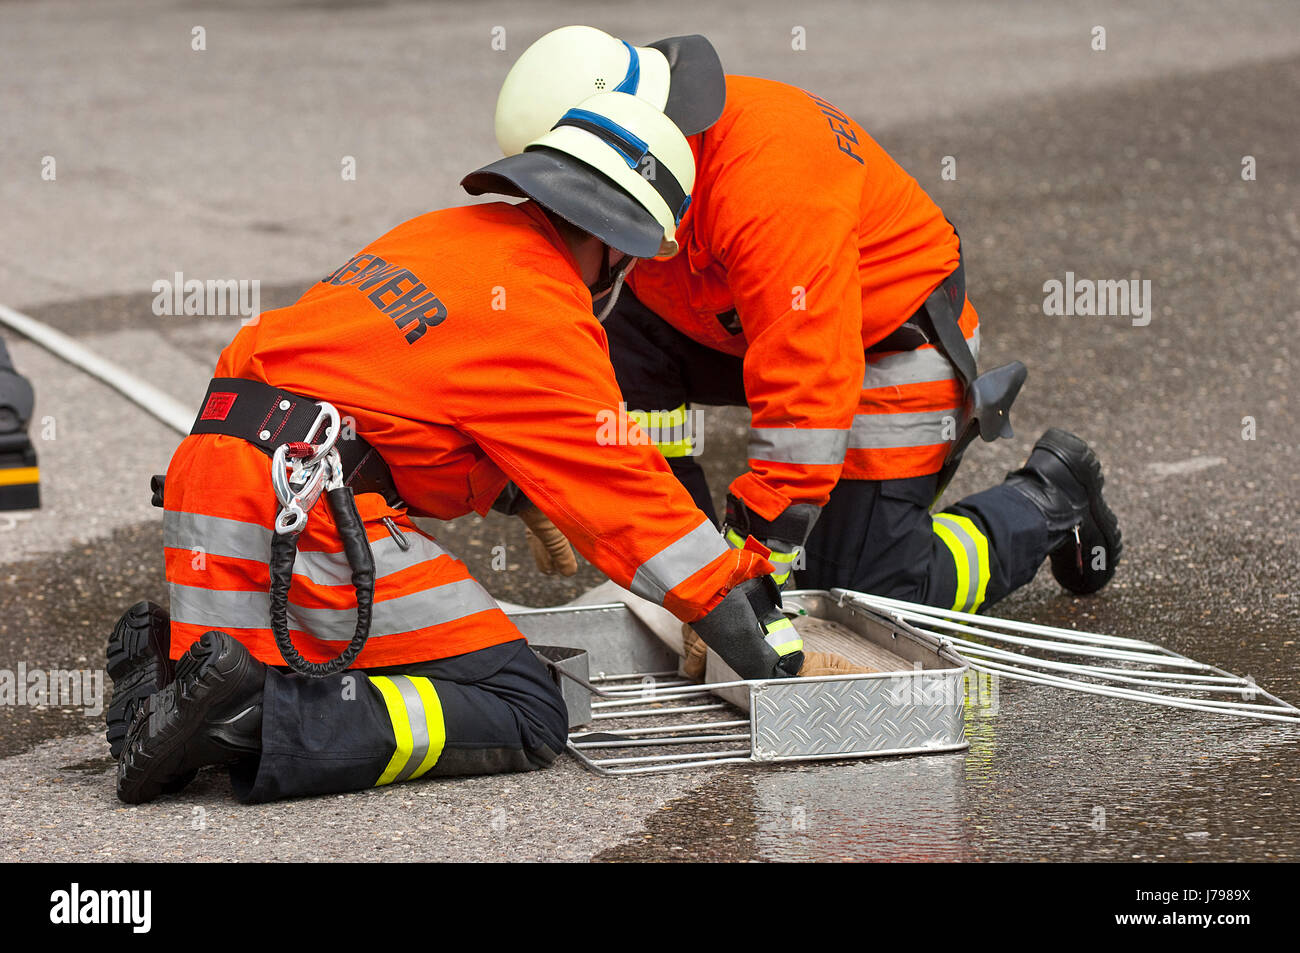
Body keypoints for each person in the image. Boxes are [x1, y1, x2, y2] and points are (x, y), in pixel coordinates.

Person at [110, 92, 803, 805]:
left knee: (312, 658)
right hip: (304, 507)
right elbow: (629, 493)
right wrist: (739, 615)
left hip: (220, 482)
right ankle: (251, 715)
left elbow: (398, 399)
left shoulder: (447, 233)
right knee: (524, 705)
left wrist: (514, 492)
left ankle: (178, 677)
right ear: (618, 240)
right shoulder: (541, 312)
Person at [491, 27, 1122, 615]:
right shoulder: (650, 162)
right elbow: (547, 322)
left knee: (861, 590)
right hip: (734, 320)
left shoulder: (771, 184)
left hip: (885, 341)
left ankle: (1046, 499)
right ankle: (677, 550)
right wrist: (528, 478)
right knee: (613, 329)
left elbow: (806, 387)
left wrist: (746, 576)